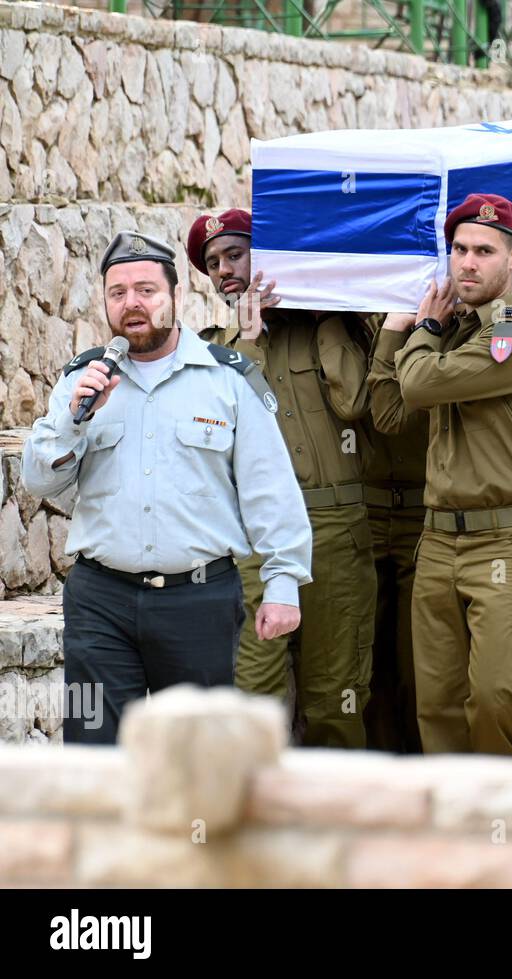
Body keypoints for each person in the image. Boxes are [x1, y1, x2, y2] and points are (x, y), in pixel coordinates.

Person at [21, 231, 311, 743]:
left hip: (198, 604)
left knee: (198, 758)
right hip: (98, 604)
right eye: (117, 292)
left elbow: (270, 487)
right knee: (92, 747)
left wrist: (282, 581)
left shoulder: (229, 379)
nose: (132, 302)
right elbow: (39, 480)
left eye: (146, 290)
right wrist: (73, 420)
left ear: (176, 297)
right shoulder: (80, 382)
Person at [188, 209, 377, 749]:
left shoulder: (322, 326)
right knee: (254, 692)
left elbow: (356, 402)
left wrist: (325, 312)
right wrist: (247, 339)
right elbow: (216, 429)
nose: (225, 270)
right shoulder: (207, 351)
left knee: (337, 697)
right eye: (214, 263)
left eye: (235, 255)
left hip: (334, 529)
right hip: (251, 540)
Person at [386, 192, 512, 756]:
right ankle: (455, 834)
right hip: (438, 538)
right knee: (436, 701)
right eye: (459, 248)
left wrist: (425, 329)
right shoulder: (452, 328)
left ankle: (508, 833)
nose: (466, 262)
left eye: (483, 251)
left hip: (509, 540)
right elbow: (390, 413)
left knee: (498, 696)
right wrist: (397, 331)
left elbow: (418, 385)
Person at [361, 311, 428, 754]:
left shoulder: (441, 315)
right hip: (362, 512)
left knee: (418, 664)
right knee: (364, 664)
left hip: (425, 511)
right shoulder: (343, 318)